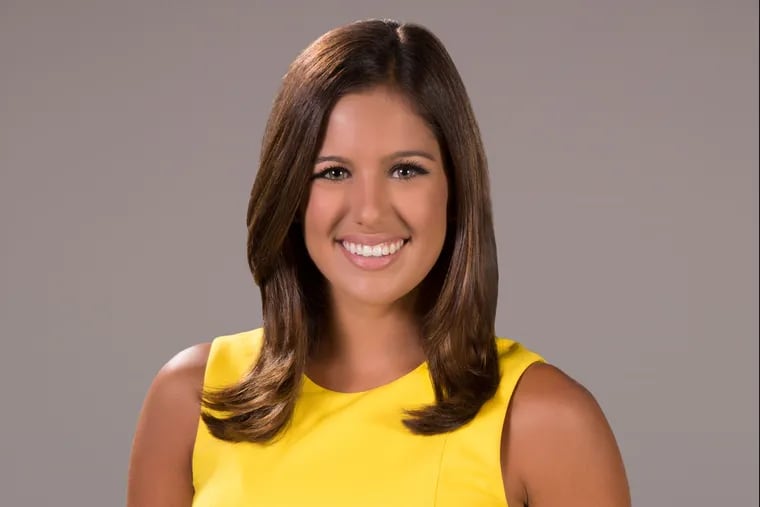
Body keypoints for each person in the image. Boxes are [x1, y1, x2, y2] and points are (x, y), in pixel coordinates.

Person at [127, 18, 630, 506]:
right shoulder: (193, 399)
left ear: (455, 189)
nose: (369, 211)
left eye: (405, 170)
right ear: (291, 194)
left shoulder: (544, 421)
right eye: (333, 172)